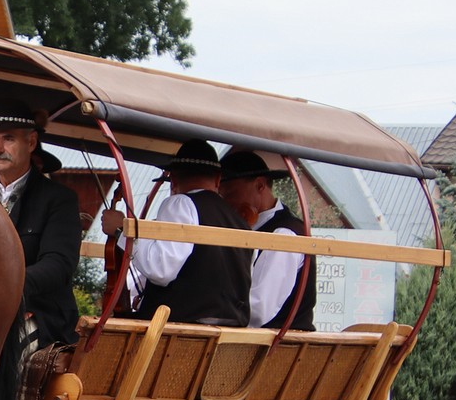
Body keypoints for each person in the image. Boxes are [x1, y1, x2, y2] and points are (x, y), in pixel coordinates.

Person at [100, 140, 251, 326]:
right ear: (218, 180)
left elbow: (161, 269)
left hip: (180, 327)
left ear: (173, 180)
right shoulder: (240, 223)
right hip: (232, 329)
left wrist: (122, 230)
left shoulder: (180, 203)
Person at [0, 97, 83, 349]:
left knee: (3, 348)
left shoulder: (58, 199)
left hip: (38, 312)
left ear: (32, 142)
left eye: (8, 139)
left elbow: (58, 265)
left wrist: (5, 290)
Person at [216, 147, 316, 332]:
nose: (226, 204)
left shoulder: (285, 234)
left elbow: (259, 309)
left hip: (276, 347)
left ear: (260, 185)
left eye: (230, 194)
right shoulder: (247, 227)